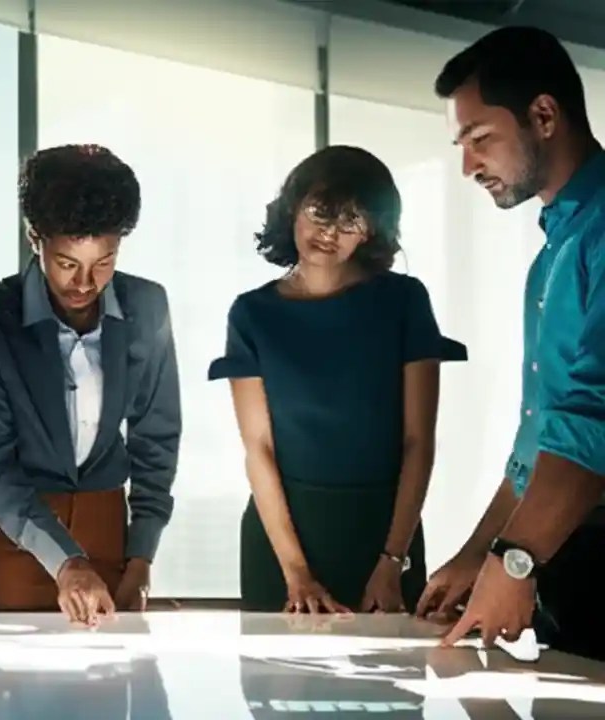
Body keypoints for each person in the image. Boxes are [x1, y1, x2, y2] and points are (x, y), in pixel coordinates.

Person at [208, 145, 466, 615]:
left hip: (387, 538)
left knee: (389, 681)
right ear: (293, 208)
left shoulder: (404, 301)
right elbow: (258, 450)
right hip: (284, 544)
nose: (330, 232)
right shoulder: (252, 314)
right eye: (320, 211)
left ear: (372, 232)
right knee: (278, 680)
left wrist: (392, 561)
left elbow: (418, 441)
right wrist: (296, 574)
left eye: (352, 220)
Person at [422, 26, 605, 660]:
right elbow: (540, 436)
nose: (469, 166)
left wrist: (514, 558)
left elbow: (594, 416)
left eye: (479, 139)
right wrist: (479, 554)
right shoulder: (552, 254)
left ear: (544, 115)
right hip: (566, 552)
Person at [0, 144, 180, 627]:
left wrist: (141, 555)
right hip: (9, 536)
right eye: (66, 262)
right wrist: (66, 561)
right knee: (8, 689)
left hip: (107, 531)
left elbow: (156, 440)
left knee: (107, 691)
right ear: (34, 237)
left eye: (105, 261)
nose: (85, 281)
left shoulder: (148, 308)